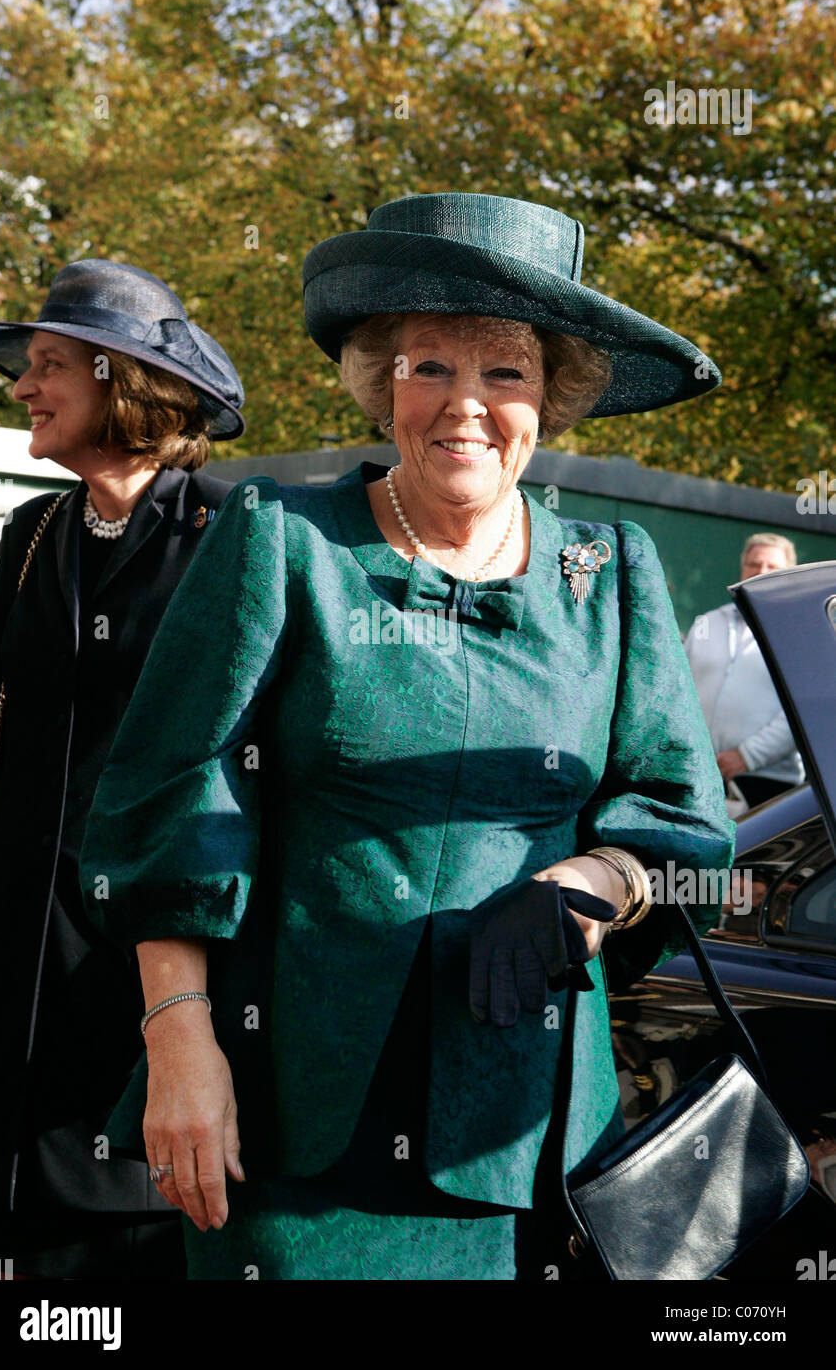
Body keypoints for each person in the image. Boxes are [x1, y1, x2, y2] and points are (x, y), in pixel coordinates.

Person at [80, 192, 735, 1281]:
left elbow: (680, 827)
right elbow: (167, 795)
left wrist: (590, 875)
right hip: (288, 1110)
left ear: (551, 398)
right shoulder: (282, 540)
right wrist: (177, 1038)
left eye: (505, 372)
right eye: (428, 365)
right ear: (381, 384)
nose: (464, 405)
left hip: (516, 1133)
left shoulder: (607, 576)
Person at [0, 259, 244, 1278]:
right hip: (11, 949)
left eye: (47, 365)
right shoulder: (33, 534)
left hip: (151, 963)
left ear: (119, 379)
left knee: (122, 1231)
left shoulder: (233, 532)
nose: (22, 386)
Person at [684, 533, 804, 812]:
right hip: (700, 773)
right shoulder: (708, 622)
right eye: (754, 563)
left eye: (772, 566)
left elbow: (802, 710)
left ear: (789, 573)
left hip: (768, 782)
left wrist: (747, 756)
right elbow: (680, 691)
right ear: (742, 569)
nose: (761, 572)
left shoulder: (800, 633)